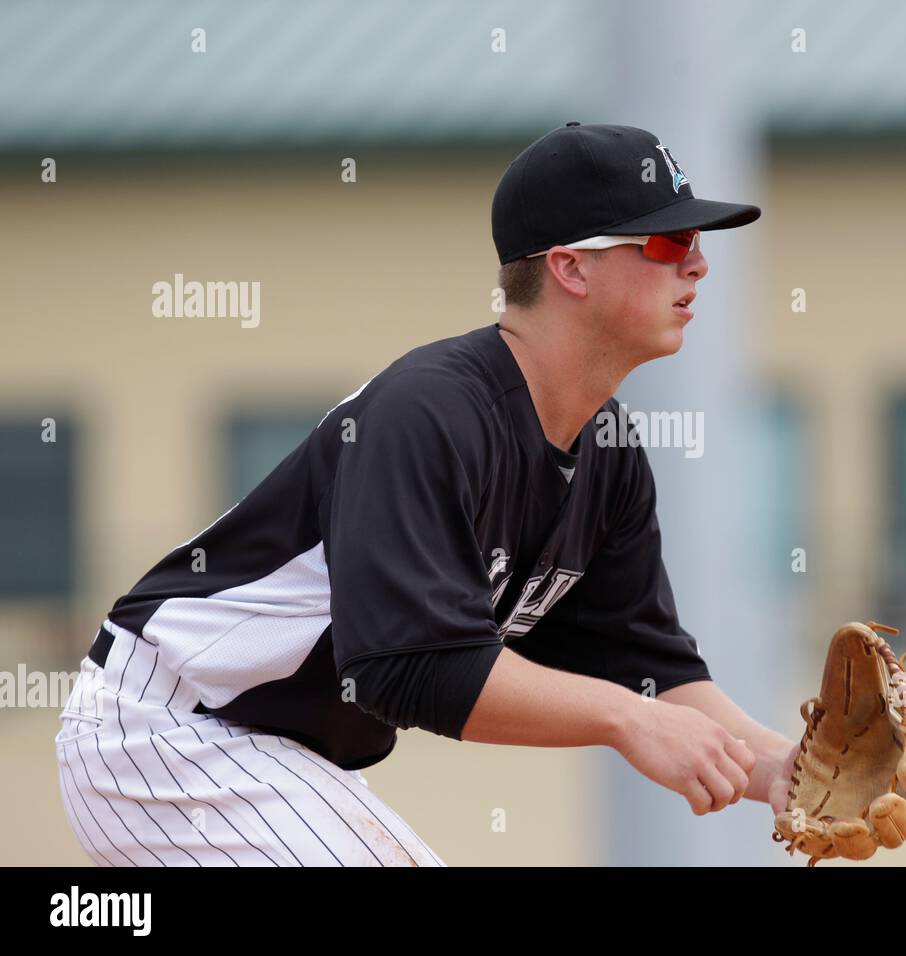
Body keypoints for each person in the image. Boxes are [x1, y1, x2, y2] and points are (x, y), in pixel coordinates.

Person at [54, 121, 798, 866]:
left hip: (278, 756)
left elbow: (652, 670)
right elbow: (404, 667)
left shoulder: (609, 453)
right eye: (668, 243)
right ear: (571, 268)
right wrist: (624, 720)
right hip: (166, 726)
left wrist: (787, 771)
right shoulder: (429, 412)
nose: (699, 265)